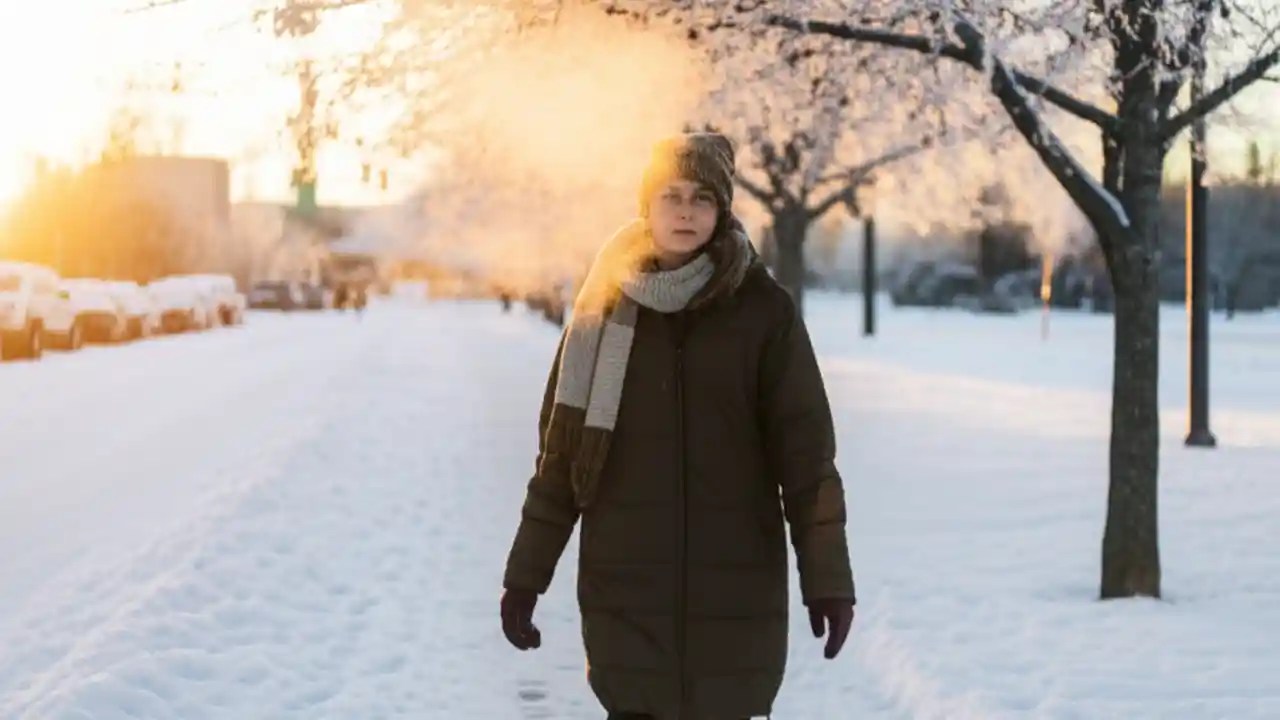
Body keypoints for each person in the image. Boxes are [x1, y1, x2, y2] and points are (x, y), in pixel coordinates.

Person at [500, 133, 856, 720]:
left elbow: (807, 458)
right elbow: (561, 462)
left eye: (702, 197)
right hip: (625, 588)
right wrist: (526, 577)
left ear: (722, 211)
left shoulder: (763, 312)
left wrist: (828, 578)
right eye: (671, 195)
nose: (686, 210)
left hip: (736, 591)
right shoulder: (601, 313)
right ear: (647, 208)